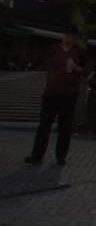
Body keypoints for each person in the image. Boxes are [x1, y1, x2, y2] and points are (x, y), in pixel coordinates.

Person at [25, 27, 87, 167]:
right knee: (44, 125)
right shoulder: (54, 49)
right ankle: (36, 155)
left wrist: (77, 69)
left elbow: (86, 71)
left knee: (65, 127)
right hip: (51, 92)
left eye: (72, 36)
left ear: (75, 38)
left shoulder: (80, 52)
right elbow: (46, 63)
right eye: (66, 35)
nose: (68, 38)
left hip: (69, 93)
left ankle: (61, 156)